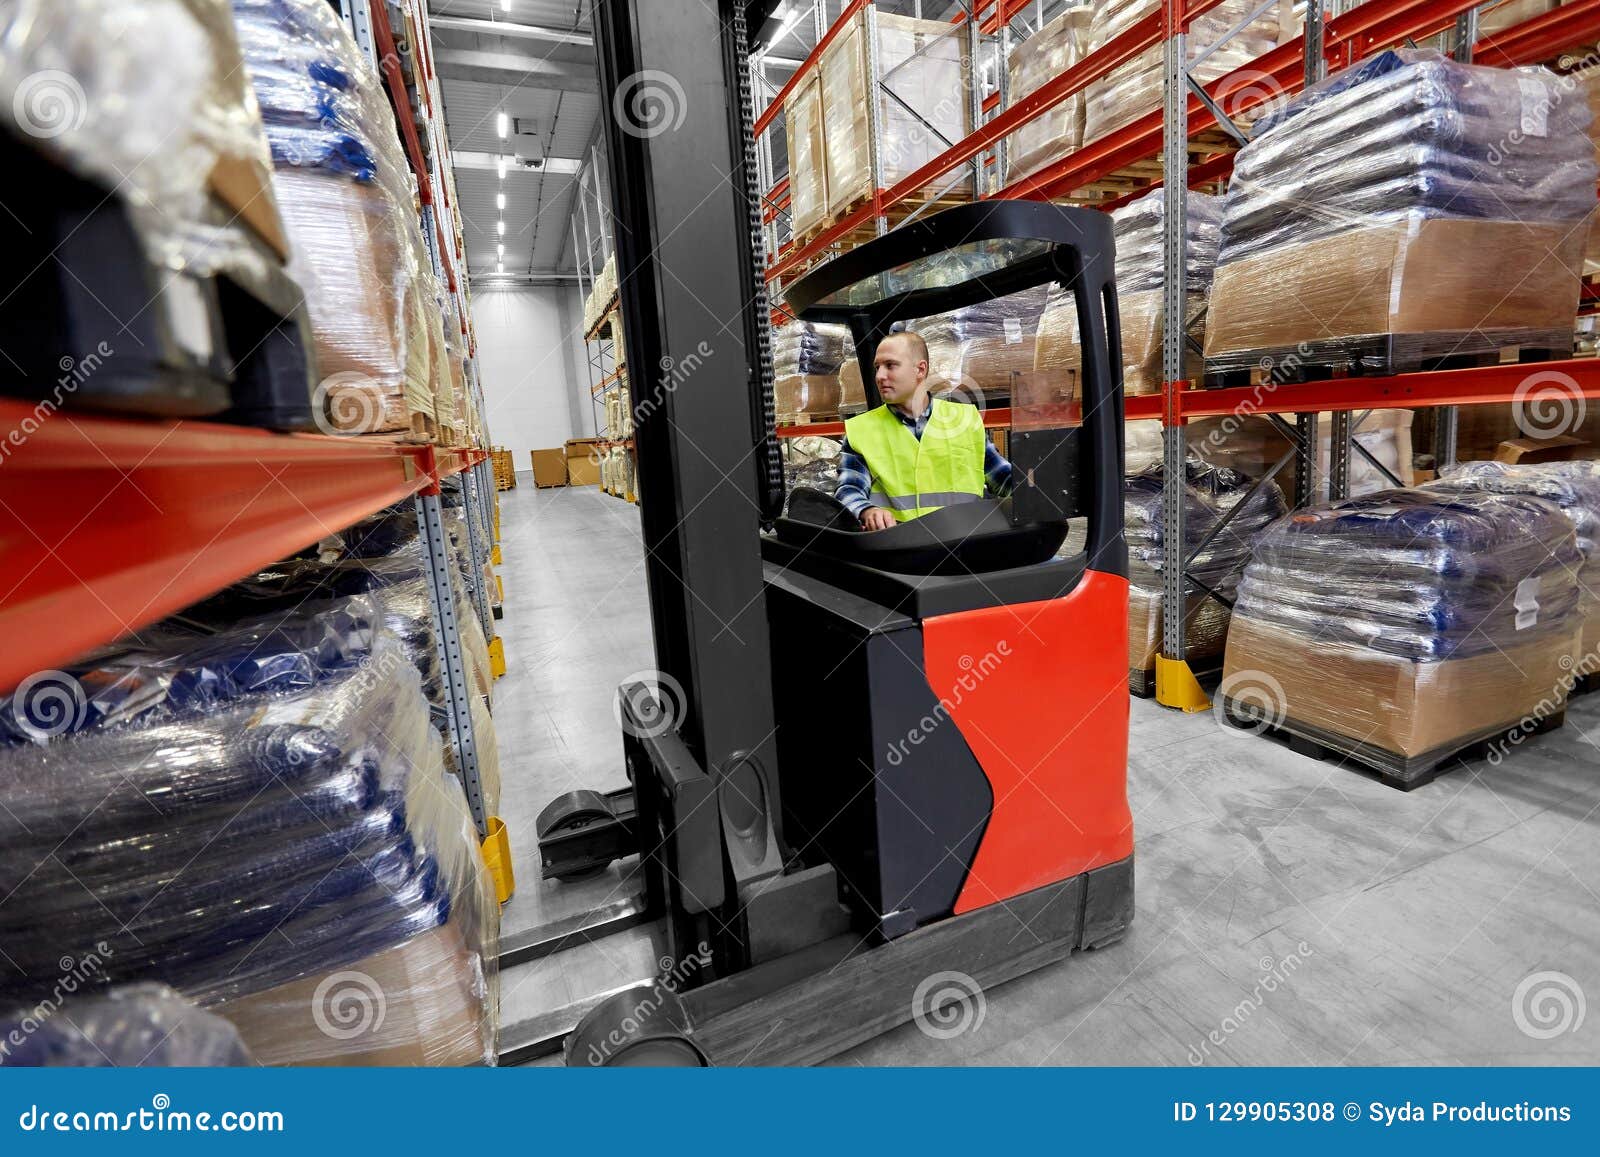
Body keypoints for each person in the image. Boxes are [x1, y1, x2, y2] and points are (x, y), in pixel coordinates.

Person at [834, 331, 1012, 531]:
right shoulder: (862, 430)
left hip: (967, 545)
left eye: (890, 365)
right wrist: (867, 510)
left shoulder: (965, 420)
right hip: (899, 548)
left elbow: (1003, 477)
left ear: (920, 369)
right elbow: (848, 489)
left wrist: (1039, 493)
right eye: (877, 367)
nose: (879, 376)